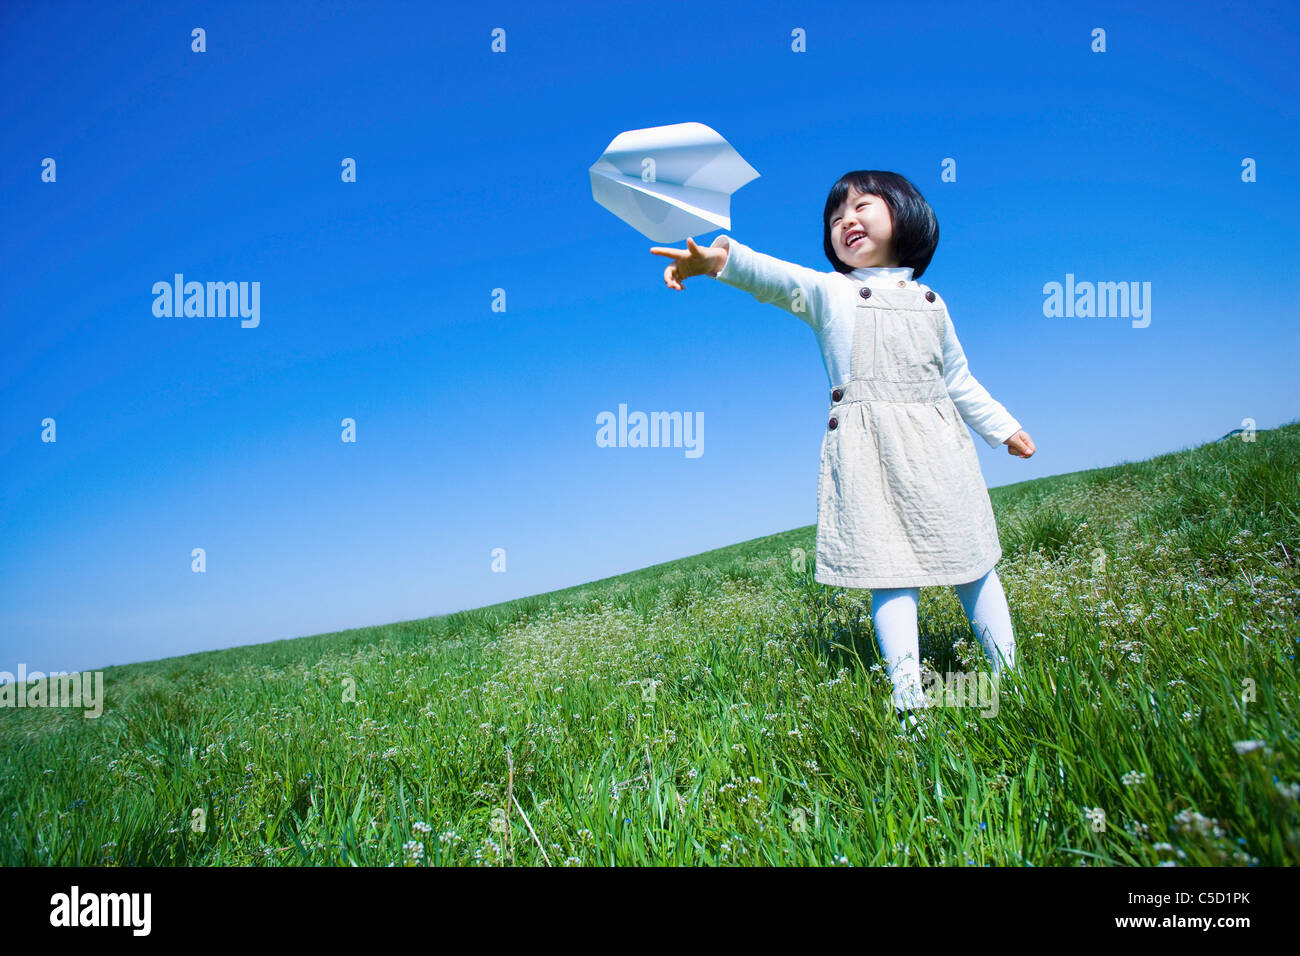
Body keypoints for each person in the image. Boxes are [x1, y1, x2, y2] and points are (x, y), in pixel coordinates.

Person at [651, 170, 1035, 736]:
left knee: (972, 560)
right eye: (835, 218)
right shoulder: (832, 293)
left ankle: (1013, 679)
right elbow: (777, 280)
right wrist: (717, 263)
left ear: (906, 213)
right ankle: (910, 699)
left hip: (937, 446)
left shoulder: (933, 302)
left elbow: (958, 380)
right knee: (889, 570)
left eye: (861, 207)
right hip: (869, 449)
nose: (845, 221)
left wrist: (1002, 427)